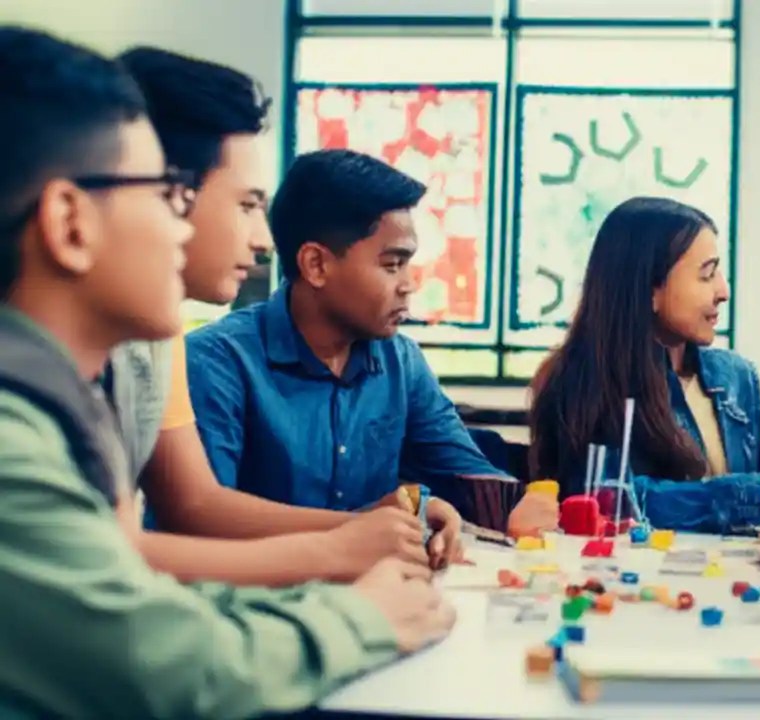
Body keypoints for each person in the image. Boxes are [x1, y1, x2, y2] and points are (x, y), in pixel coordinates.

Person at [0, 27, 452, 718]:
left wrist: (345, 571)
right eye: (166, 199)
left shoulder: (72, 384)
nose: (262, 239)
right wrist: (361, 610)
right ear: (69, 220)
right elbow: (168, 667)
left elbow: (129, 577)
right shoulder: (16, 435)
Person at [103, 47, 436, 584]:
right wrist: (344, 550)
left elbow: (182, 512)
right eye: (246, 205)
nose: (262, 240)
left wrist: (363, 532)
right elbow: (121, 562)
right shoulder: (202, 352)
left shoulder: (154, 338)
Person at [186, 149, 558, 541]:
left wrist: (509, 501)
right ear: (316, 265)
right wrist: (366, 525)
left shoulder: (400, 361)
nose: (409, 284)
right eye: (392, 265)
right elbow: (201, 521)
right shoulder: (217, 362)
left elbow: (462, 470)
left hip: (376, 588)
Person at [528, 196, 760, 533]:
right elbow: (605, 502)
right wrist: (754, 496)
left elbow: (747, 522)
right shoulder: (578, 380)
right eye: (706, 275)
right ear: (649, 289)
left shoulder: (737, 378)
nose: (723, 291)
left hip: (730, 577)